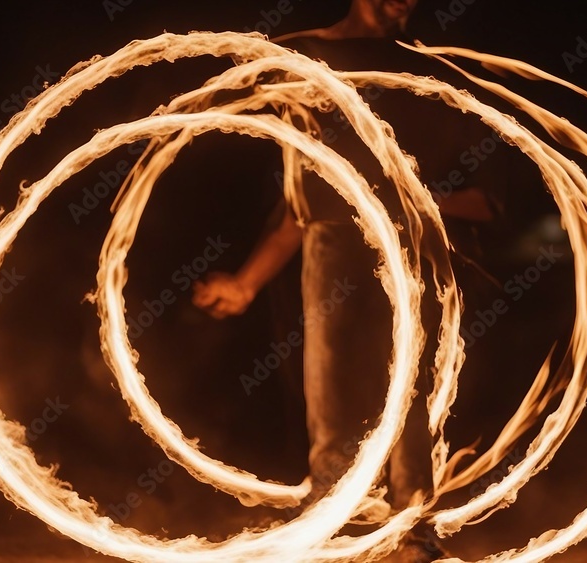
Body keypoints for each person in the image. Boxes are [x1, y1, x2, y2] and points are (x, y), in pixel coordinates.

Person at [193, 1, 505, 559]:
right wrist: (246, 282)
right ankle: (332, 530)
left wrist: (413, 202)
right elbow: (302, 197)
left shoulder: (428, 70)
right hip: (333, 243)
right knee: (331, 394)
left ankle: (411, 530)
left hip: (410, 244)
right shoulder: (307, 58)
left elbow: (487, 199)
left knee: (407, 390)